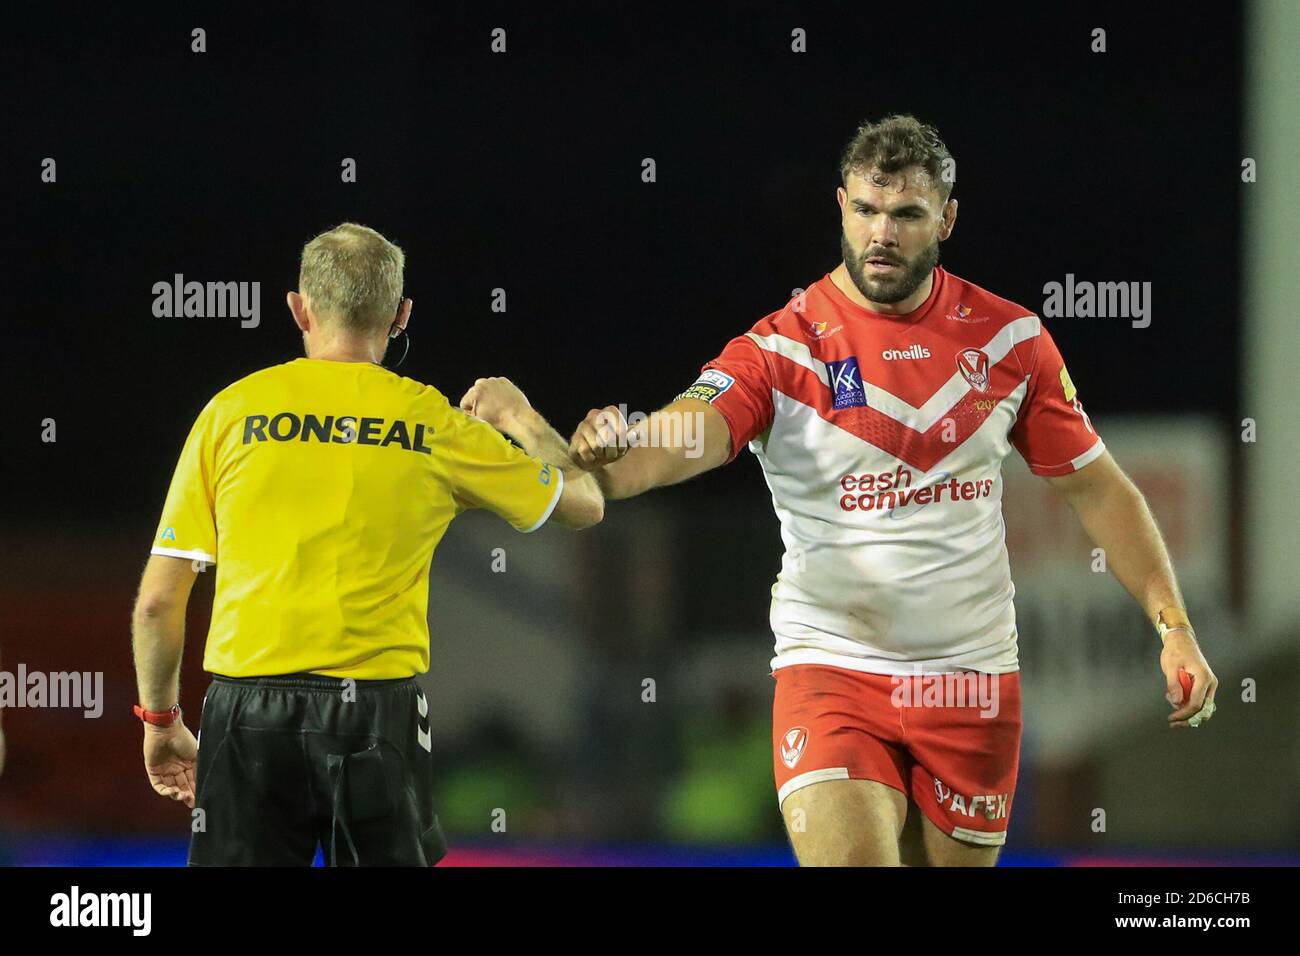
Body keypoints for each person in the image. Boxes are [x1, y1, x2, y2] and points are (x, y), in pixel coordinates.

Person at [565, 115, 1218, 866]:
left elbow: (1100, 491)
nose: (882, 233)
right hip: (833, 670)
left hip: (969, 686)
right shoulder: (781, 348)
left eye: (906, 214)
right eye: (867, 210)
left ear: (946, 218)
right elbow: (682, 439)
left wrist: (1174, 628)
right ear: (841, 205)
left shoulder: (1010, 342)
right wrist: (619, 445)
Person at [130, 223, 602, 865]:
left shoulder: (230, 414)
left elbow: (159, 601)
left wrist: (161, 724)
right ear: (401, 315)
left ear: (299, 307)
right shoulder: (435, 424)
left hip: (247, 711)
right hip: (377, 715)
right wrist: (518, 415)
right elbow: (586, 503)